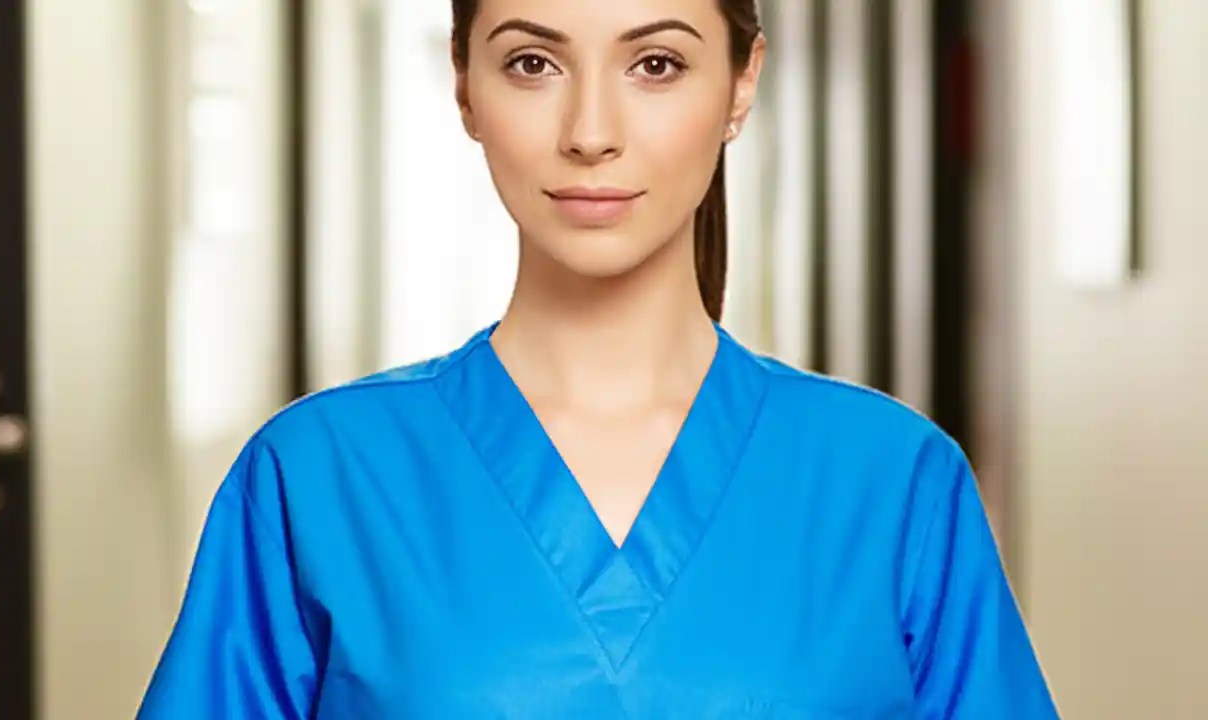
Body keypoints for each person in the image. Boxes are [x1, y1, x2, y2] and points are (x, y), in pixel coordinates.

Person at [139, 0, 1058, 717]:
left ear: (742, 83)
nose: (589, 130)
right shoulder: (318, 476)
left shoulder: (891, 481)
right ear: (464, 86)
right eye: (532, 63)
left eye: (655, 64)